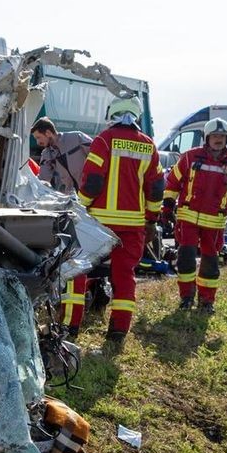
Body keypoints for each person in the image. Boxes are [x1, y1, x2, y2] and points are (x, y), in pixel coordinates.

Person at [77, 98, 164, 345]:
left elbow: (92, 181)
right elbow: (156, 188)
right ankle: (117, 333)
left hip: (99, 224)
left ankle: (70, 327)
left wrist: (80, 207)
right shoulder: (149, 146)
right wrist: (151, 220)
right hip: (134, 224)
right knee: (124, 276)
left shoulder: (104, 140)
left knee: (79, 268)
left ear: (111, 113)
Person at [162, 117, 227, 313]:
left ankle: (207, 302)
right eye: (215, 136)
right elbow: (173, 183)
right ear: (207, 138)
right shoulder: (190, 157)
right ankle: (186, 298)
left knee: (210, 263)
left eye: (223, 137)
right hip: (188, 217)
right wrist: (167, 207)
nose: (218, 140)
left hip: (215, 221)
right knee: (186, 258)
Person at [31, 117, 95, 337]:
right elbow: (44, 181)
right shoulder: (48, 155)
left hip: (93, 199)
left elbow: (100, 160)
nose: (38, 142)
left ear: (48, 132)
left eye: (39, 137)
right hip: (74, 204)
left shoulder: (77, 139)